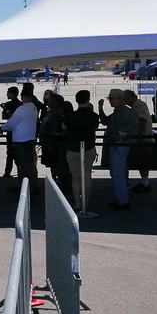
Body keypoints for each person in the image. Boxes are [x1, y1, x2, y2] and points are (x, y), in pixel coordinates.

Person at [98, 88, 139, 210]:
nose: (110, 101)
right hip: (116, 145)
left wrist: (123, 133)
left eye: (112, 98)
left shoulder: (126, 112)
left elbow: (134, 125)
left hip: (119, 145)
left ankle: (123, 201)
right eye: (109, 98)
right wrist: (100, 108)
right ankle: (121, 198)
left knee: (117, 174)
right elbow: (105, 121)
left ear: (120, 99)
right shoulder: (118, 111)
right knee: (117, 173)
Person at [65, 90, 100, 218]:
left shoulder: (70, 116)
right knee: (87, 175)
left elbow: (65, 128)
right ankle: (86, 201)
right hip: (89, 146)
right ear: (88, 99)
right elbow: (95, 128)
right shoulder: (94, 116)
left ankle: (78, 203)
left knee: (75, 176)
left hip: (73, 147)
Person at [0, 90, 39, 196]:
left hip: (21, 141)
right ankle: (31, 187)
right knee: (29, 165)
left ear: (22, 96)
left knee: (23, 166)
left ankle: (25, 190)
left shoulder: (22, 109)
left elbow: (12, 122)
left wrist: (2, 128)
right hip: (30, 139)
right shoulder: (33, 108)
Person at [123, 90, 155, 193]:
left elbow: (143, 120)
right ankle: (144, 183)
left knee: (143, 161)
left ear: (131, 97)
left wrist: (140, 137)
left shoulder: (140, 105)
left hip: (144, 138)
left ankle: (145, 184)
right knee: (141, 162)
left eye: (125, 98)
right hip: (140, 138)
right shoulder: (134, 106)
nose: (124, 101)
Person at [0, 86, 21, 178]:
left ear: (12, 94)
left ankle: (7, 173)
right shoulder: (21, 105)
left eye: (8, 93)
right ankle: (20, 173)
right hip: (19, 131)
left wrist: (5, 109)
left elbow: (4, 117)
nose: (7, 94)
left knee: (9, 153)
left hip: (10, 131)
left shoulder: (7, 105)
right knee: (18, 154)